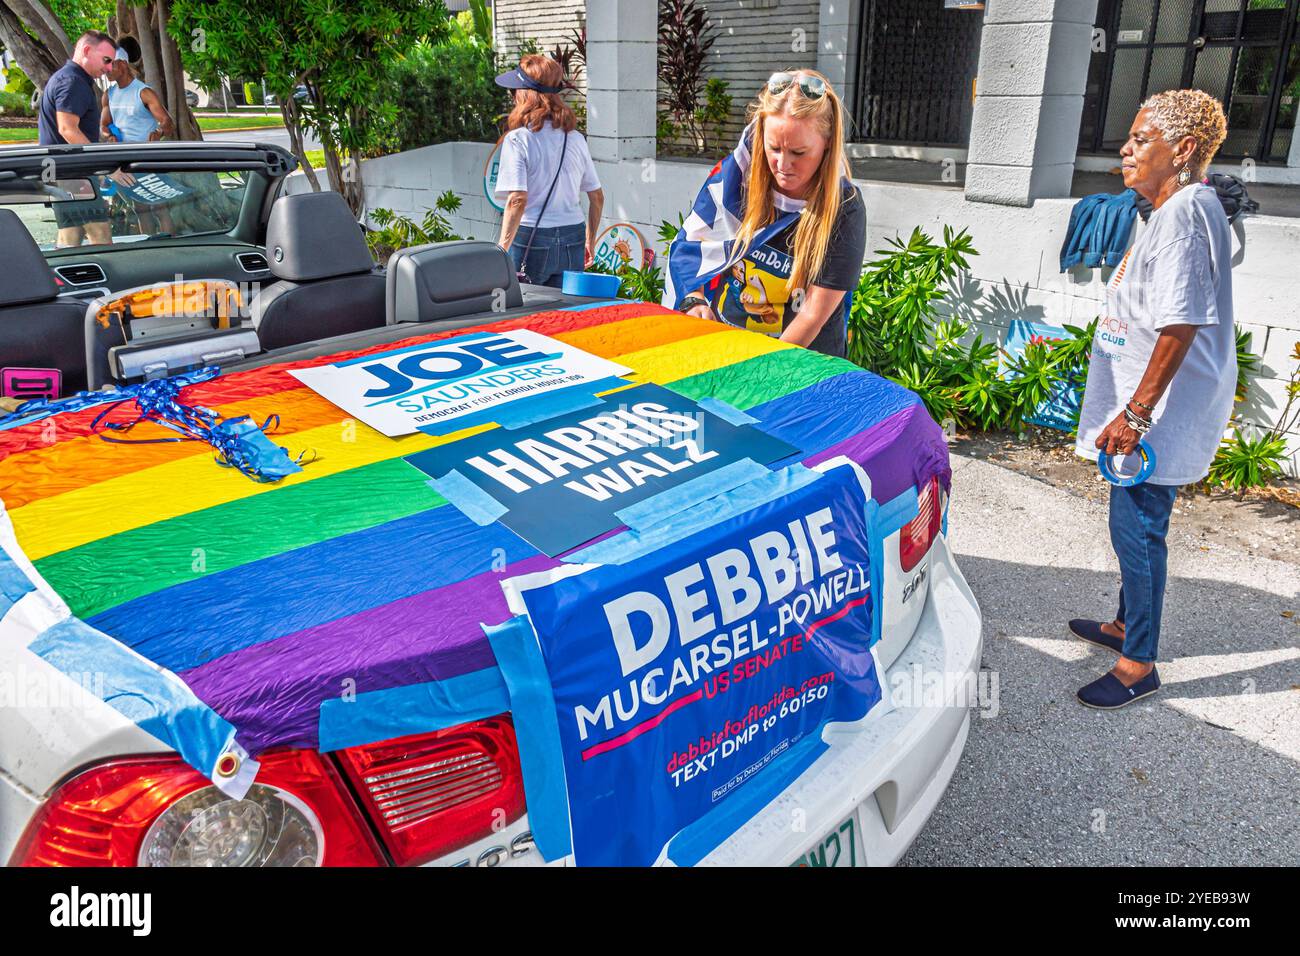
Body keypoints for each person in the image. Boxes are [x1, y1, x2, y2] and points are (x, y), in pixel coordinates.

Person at [1071, 89, 1234, 710]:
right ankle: (1120, 624)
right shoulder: (1170, 210)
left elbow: (1182, 323)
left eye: (1142, 139)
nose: (1125, 148)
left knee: (1138, 528)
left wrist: (1136, 412)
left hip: (1159, 415)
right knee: (1131, 522)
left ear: (1183, 149)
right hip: (1145, 406)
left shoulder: (1187, 212)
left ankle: (1138, 663)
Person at [667, 69, 865, 357]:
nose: (783, 164)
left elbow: (811, 316)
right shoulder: (737, 180)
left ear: (827, 144)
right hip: (727, 348)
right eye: (774, 148)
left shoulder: (845, 207)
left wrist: (757, 370)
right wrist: (693, 300)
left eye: (799, 152)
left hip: (800, 363)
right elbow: (693, 248)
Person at [493, 55, 604, 287]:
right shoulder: (575, 138)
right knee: (566, 313)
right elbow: (597, 197)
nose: (512, 97)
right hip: (573, 236)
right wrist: (589, 241)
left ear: (524, 94)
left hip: (531, 238)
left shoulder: (517, 140)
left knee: (526, 313)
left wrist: (502, 249)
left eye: (514, 91)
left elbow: (517, 199)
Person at [38, 30, 118, 248]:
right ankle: (113, 282)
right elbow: (67, 129)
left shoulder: (68, 78)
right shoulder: (73, 81)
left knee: (70, 235)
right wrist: (101, 167)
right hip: (72, 173)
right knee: (100, 234)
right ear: (86, 50)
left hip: (61, 172)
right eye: (106, 60)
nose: (110, 68)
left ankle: (60, 281)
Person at [101, 40, 174, 236]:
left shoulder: (143, 92)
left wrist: (158, 133)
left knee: (160, 208)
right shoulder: (108, 94)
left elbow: (167, 122)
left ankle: (172, 249)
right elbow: (104, 125)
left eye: (110, 64)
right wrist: (109, 136)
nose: (106, 69)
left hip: (149, 159)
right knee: (140, 208)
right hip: (126, 161)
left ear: (123, 64)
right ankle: (149, 247)